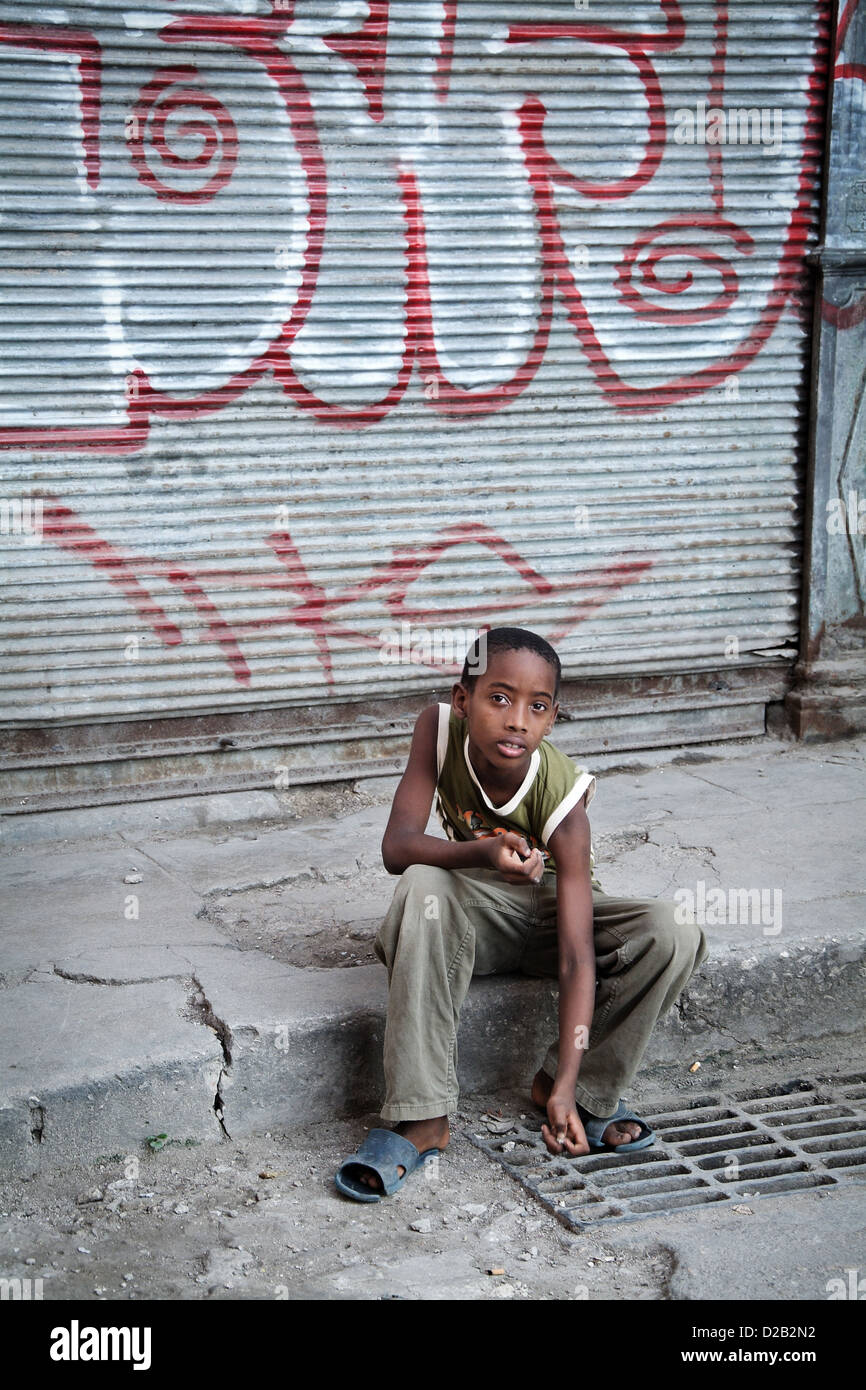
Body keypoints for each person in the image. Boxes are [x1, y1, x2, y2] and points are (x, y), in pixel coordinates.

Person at [335, 626, 707, 1200]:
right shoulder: (436, 730)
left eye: (537, 707)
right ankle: (423, 1115)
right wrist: (480, 851)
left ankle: (582, 1094)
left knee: (672, 930)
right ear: (463, 700)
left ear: (553, 718)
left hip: (556, 916)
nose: (516, 721)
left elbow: (579, 955)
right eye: (500, 698)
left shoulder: (563, 798)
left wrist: (565, 1081)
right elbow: (397, 847)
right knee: (421, 885)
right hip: (474, 912)